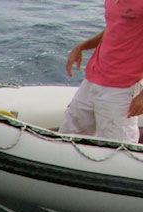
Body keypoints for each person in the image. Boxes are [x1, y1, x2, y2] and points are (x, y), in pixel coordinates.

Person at [59, 0, 143, 143]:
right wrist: (83, 46)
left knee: (117, 147)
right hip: (93, 79)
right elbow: (115, 28)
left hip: (122, 87)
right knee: (69, 134)